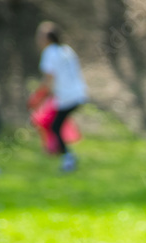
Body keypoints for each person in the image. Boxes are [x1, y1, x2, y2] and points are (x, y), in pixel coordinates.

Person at [32, 21, 88, 173]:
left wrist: (37, 97)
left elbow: (48, 80)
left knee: (55, 126)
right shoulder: (67, 50)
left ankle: (67, 158)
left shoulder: (50, 52)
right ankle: (61, 152)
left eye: (40, 36)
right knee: (56, 124)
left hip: (66, 97)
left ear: (47, 38)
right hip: (78, 94)